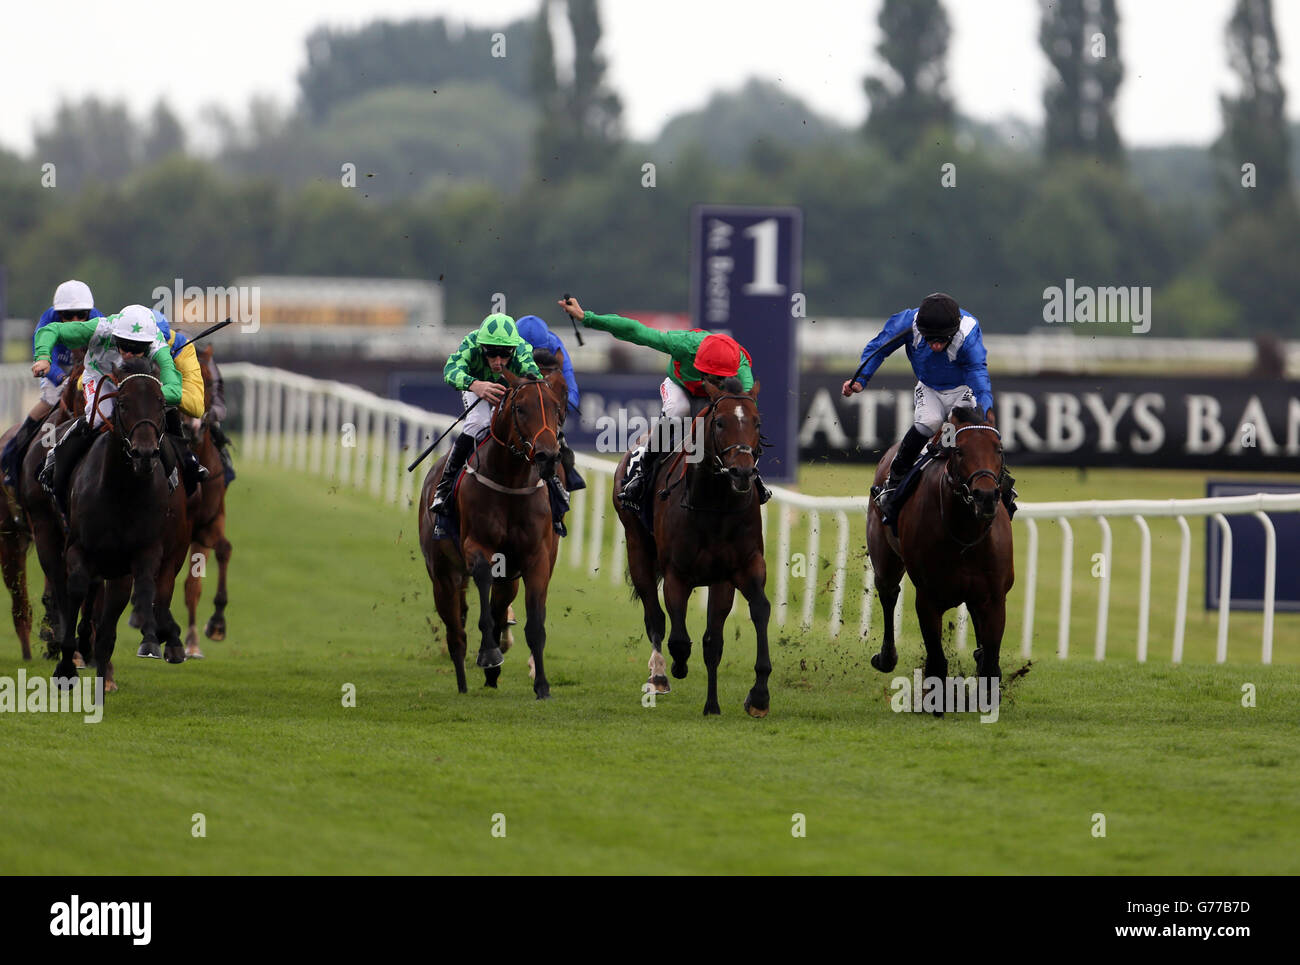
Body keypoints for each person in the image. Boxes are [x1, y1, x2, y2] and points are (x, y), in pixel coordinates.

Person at [556, 294, 771, 512]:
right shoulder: (682, 344)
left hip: (721, 396)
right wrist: (586, 317)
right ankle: (642, 475)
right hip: (680, 386)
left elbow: (745, 407)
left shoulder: (741, 367)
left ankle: (754, 476)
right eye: (708, 375)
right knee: (678, 410)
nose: (710, 382)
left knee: (741, 418)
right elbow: (635, 330)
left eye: (718, 378)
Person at [842, 292, 996, 522]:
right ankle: (894, 482)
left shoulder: (968, 331)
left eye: (941, 339)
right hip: (929, 388)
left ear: (953, 331)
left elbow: (977, 372)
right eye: (929, 338)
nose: (934, 345)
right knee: (928, 424)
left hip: (964, 389)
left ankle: (1001, 490)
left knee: (964, 433)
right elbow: (879, 347)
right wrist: (860, 379)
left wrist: (984, 410)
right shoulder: (906, 322)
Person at [33, 304, 183, 513]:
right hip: (100, 377)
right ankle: (55, 459)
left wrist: (145, 398)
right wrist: (43, 357)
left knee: (154, 417)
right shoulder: (100, 328)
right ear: (115, 335)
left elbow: (175, 392)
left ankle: (179, 468)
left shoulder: (157, 344)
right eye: (125, 345)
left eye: (138, 349)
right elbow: (51, 330)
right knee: (97, 420)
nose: (129, 354)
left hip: (134, 384)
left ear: (148, 344)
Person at [429, 313, 545, 539]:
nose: (498, 361)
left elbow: (536, 380)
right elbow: (449, 371)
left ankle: (554, 488)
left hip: (508, 391)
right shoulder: (471, 344)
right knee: (479, 423)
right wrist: (475, 384)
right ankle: (444, 488)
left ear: (513, 349)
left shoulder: (522, 350)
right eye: (491, 353)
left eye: (504, 354)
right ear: (482, 347)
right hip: (476, 388)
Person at [1, 280, 103, 487]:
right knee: (50, 398)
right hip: (58, 370)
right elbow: (48, 361)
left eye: (81, 314)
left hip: (87, 367)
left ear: (89, 312)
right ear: (58, 314)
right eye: (67, 315)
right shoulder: (47, 323)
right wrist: (62, 380)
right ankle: (14, 449)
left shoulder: (99, 321)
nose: (75, 321)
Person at [514, 314, 584, 493]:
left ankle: (559, 498)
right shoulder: (505, 344)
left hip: (542, 408)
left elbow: (573, 395)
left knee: (563, 453)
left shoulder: (555, 345)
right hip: (509, 400)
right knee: (478, 426)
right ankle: (449, 480)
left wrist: (549, 403)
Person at [150, 310, 210, 495]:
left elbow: (196, 406)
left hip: (166, 409)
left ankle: (190, 462)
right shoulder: (116, 338)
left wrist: (161, 392)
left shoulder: (183, 347)